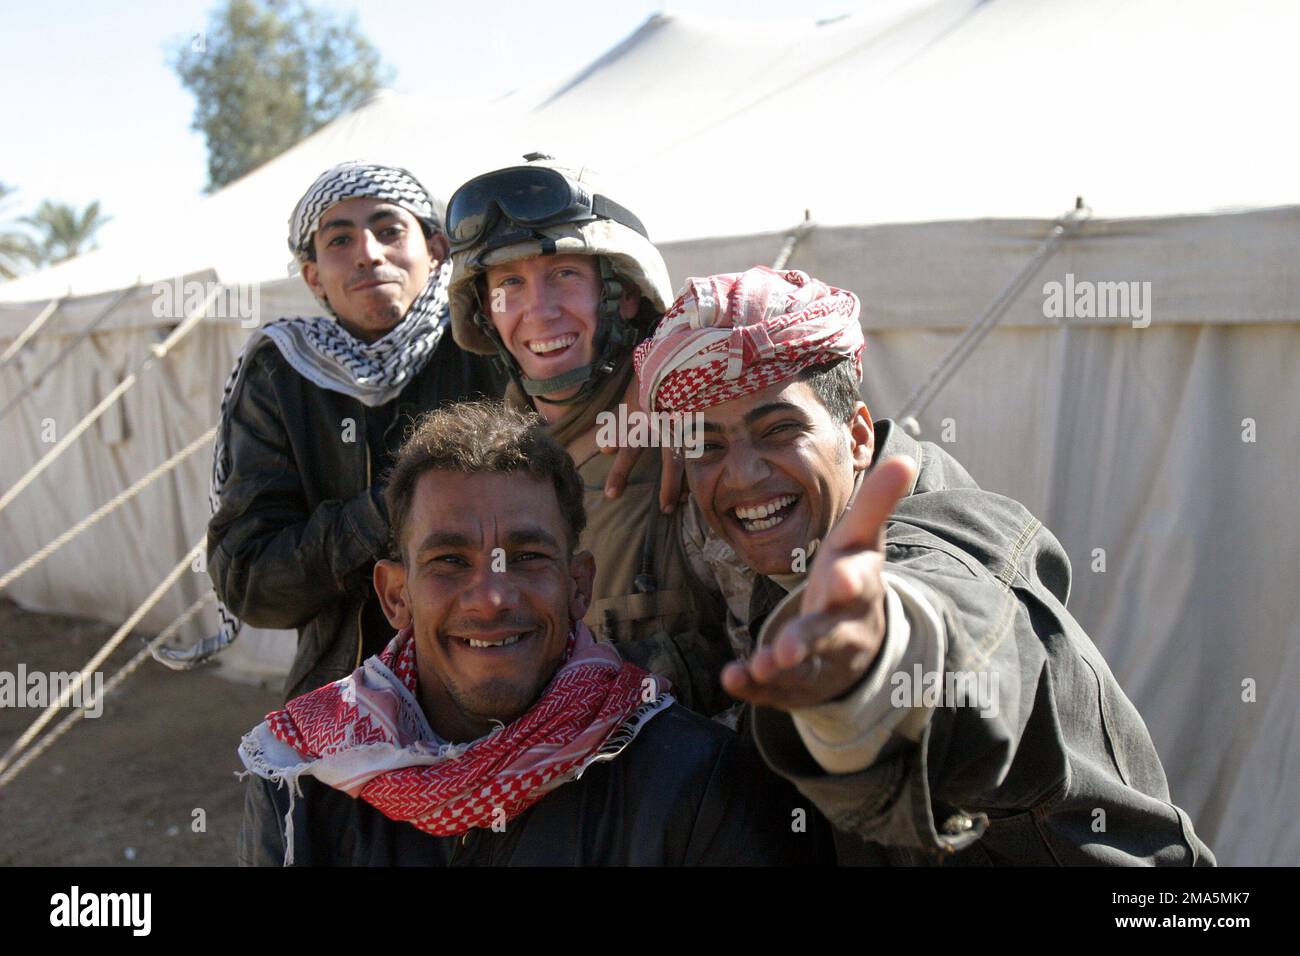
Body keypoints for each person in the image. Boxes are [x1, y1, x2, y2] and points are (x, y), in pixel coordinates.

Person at [634, 265, 1215, 866]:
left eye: (780, 430)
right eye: (707, 445)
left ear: (857, 437)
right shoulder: (791, 555)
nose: (744, 474)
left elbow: (954, 629)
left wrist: (875, 658)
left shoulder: (948, 556)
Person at [236, 401, 831, 866]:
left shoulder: (695, 782)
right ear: (396, 595)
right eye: (449, 561)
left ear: (579, 586)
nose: (492, 597)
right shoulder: (302, 778)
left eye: (526, 557)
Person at [190, 162, 503, 701]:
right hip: (345, 692)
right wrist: (388, 510)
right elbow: (250, 579)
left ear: (436, 249)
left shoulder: (496, 342)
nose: (368, 253)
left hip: (502, 673)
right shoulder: (283, 373)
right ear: (313, 277)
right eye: (340, 240)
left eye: (389, 231)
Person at [443, 155, 738, 713]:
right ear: (485, 311)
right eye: (509, 284)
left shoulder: (691, 429)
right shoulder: (475, 468)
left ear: (623, 294)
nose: (539, 311)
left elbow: (773, 637)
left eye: (564, 275)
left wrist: (672, 373)